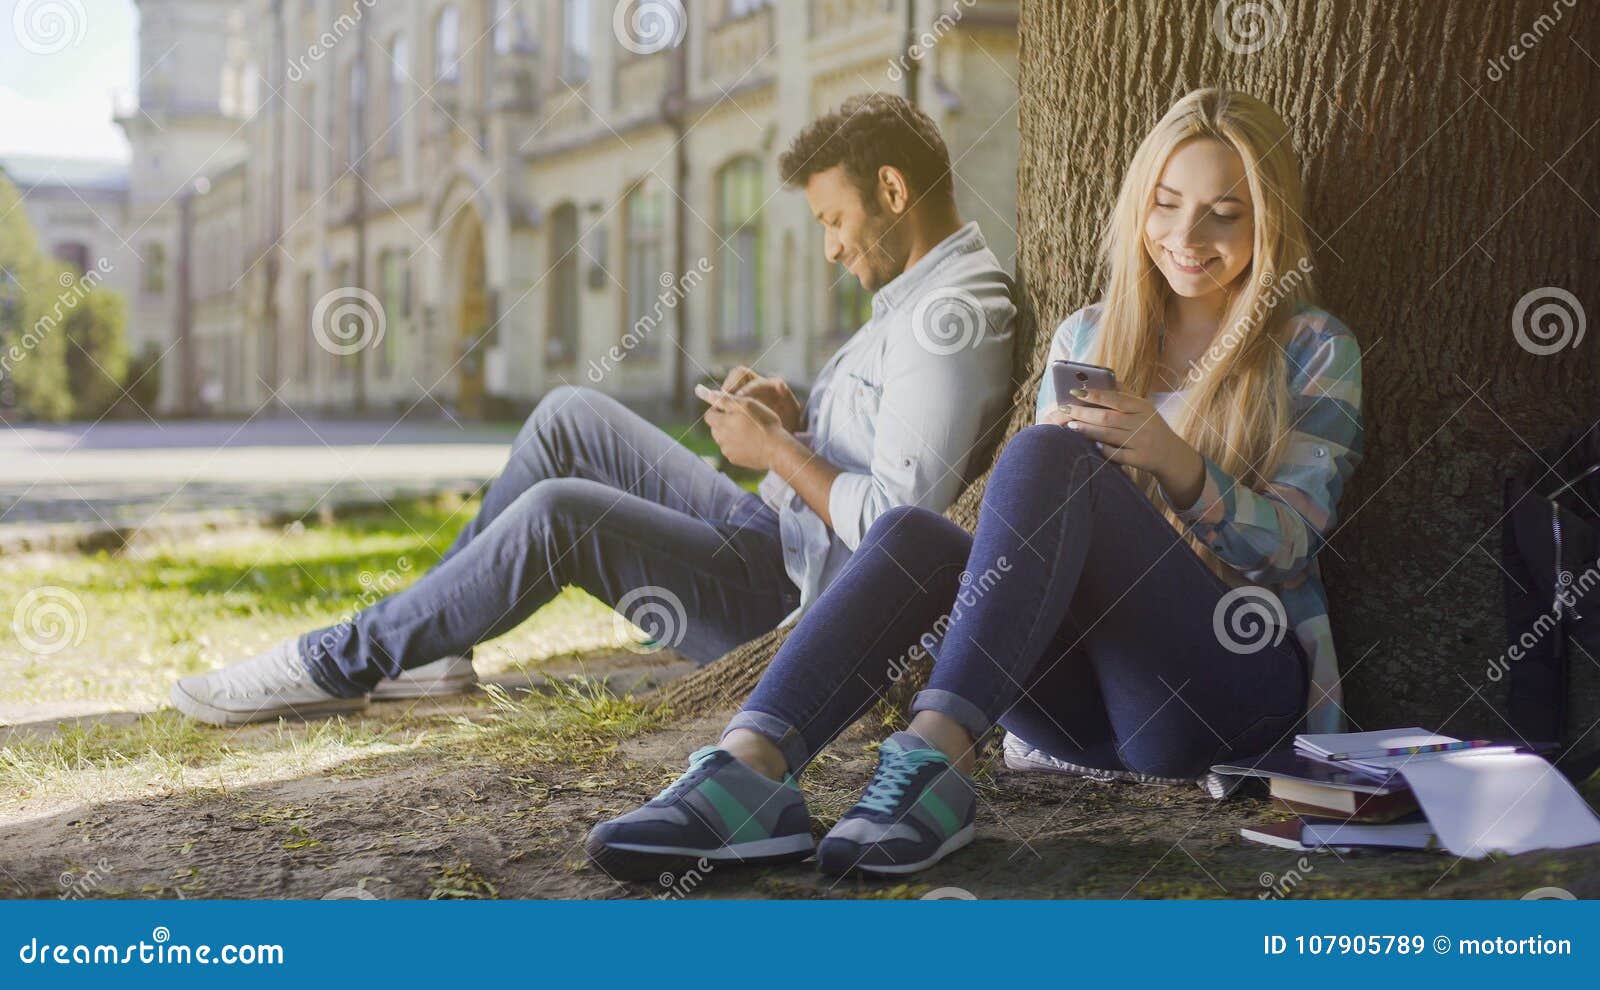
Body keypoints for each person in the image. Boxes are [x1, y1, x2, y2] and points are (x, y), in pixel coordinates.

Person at [585, 88, 1364, 880]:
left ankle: (933, 765)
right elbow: (1042, 531)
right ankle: (747, 772)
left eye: (1224, 214)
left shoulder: (1312, 348)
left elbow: (1291, 548)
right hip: (1088, 712)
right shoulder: (1089, 335)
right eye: (1166, 205)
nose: (1186, 237)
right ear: (1139, 207)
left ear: (1267, 222)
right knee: (912, 534)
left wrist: (1177, 461)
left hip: (1227, 689)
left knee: (1044, 458)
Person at [170, 92, 1017, 727]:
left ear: (894, 191)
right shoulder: (911, 294)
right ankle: (435, 637)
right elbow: (879, 458)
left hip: (797, 605)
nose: (831, 246)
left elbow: (903, 530)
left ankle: (338, 661)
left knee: (558, 516)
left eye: (835, 220)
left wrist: (779, 453)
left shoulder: (951, 320)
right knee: (568, 413)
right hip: (778, 540)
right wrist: (796, 425)